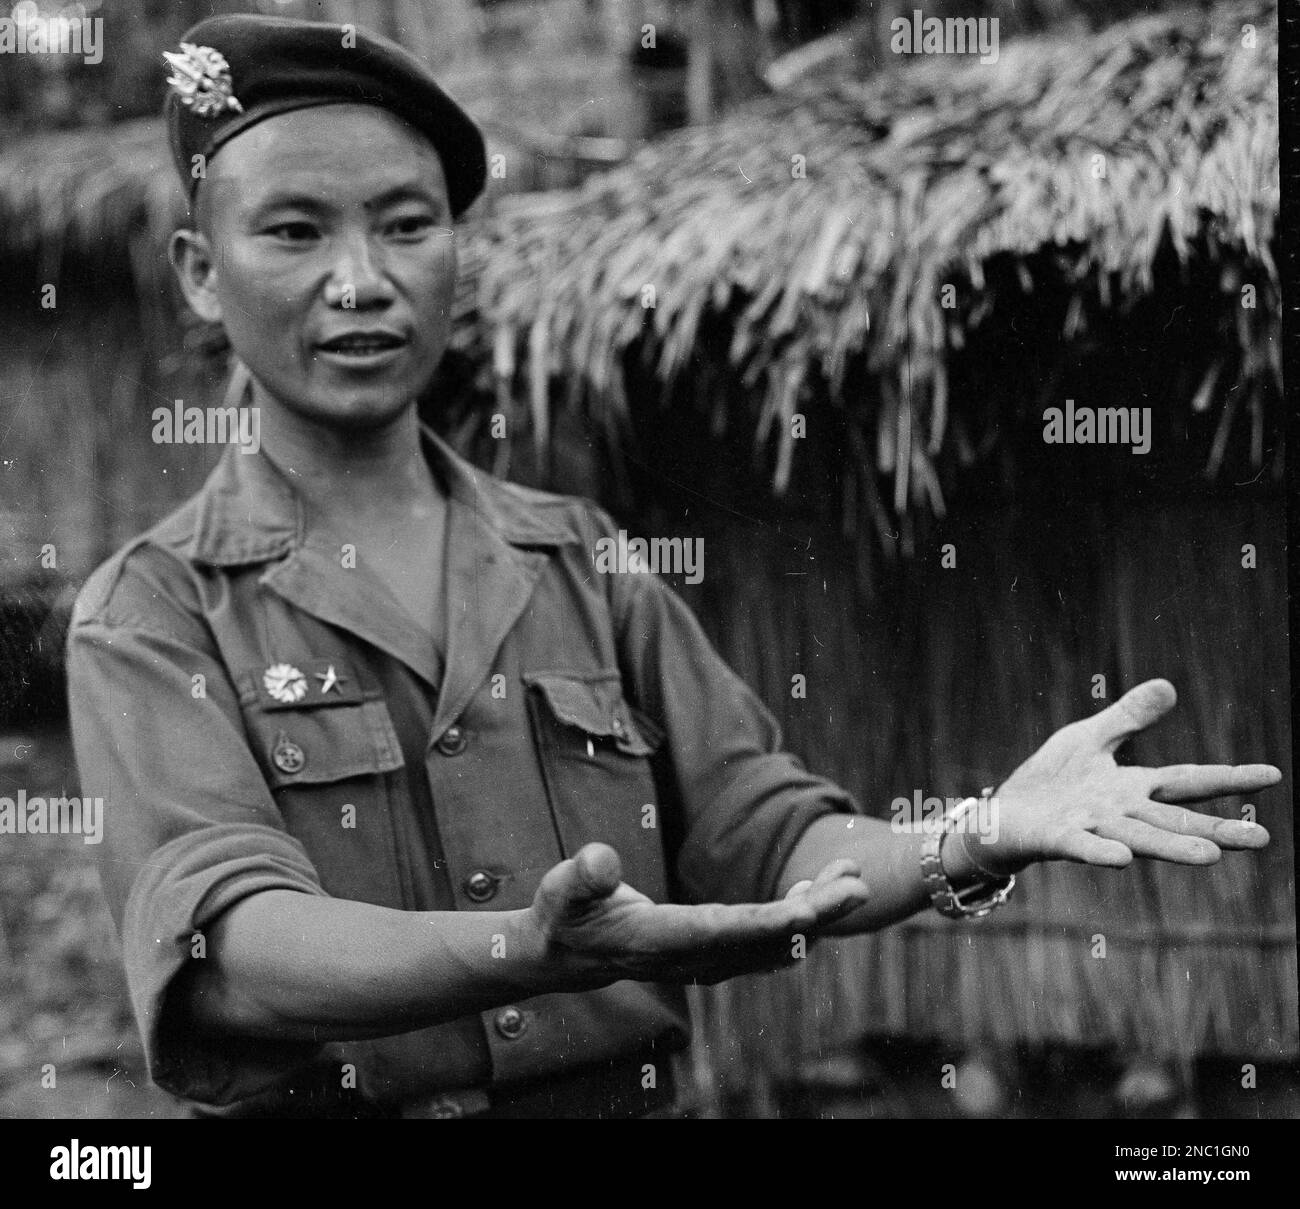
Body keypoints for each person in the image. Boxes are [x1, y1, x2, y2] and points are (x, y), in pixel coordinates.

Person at [66, 13, 1280, 1119]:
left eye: (405, 224)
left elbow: (773, 841)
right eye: (294, 230)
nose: (362, 280)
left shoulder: (582, 564)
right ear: (197, 271)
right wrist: (517, 952)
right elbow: (232, 956)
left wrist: (972, 835)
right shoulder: (157, 611)